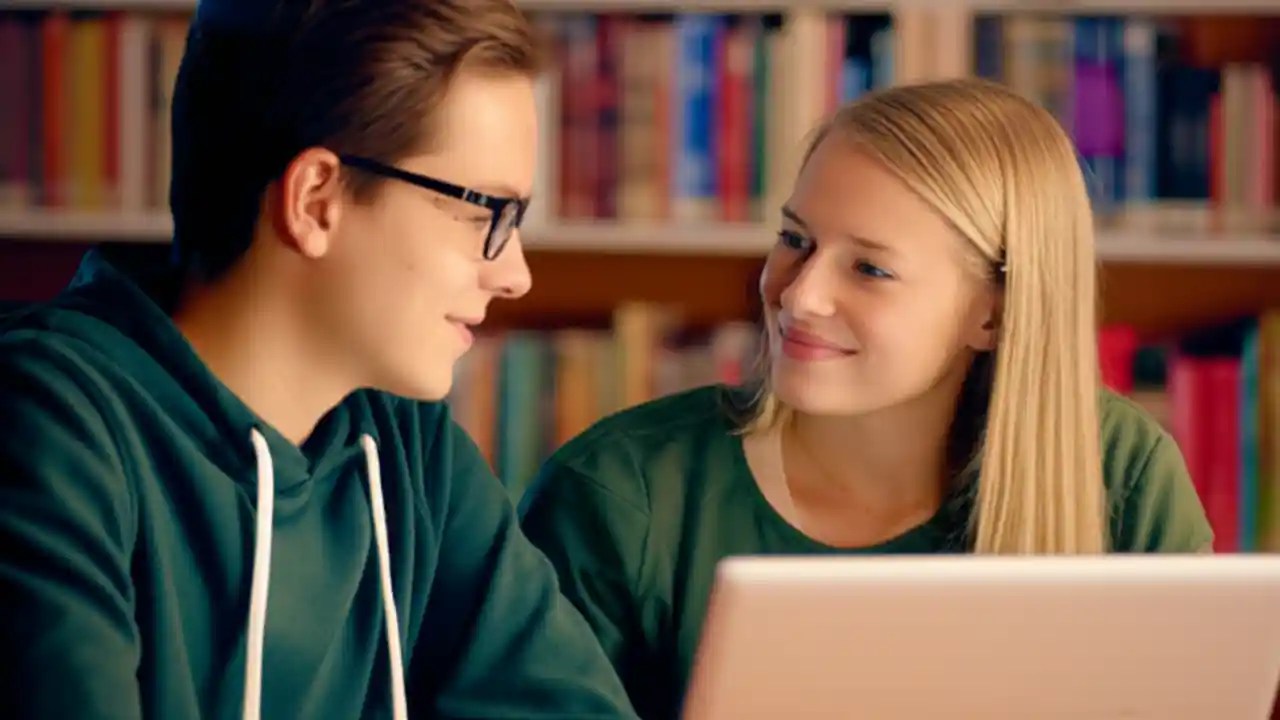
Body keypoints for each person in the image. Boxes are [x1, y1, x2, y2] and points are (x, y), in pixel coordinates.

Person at [0, 0, 639, 718]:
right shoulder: (45, 425)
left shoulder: (410, 447)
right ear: (315, 200)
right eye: (483, 213)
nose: (515, 275)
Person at [519, 77, 1214, 719]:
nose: (800, 294)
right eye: (795, 239)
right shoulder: (618, 493)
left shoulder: (1122, 473)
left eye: (871, 269)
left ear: (995, 315)